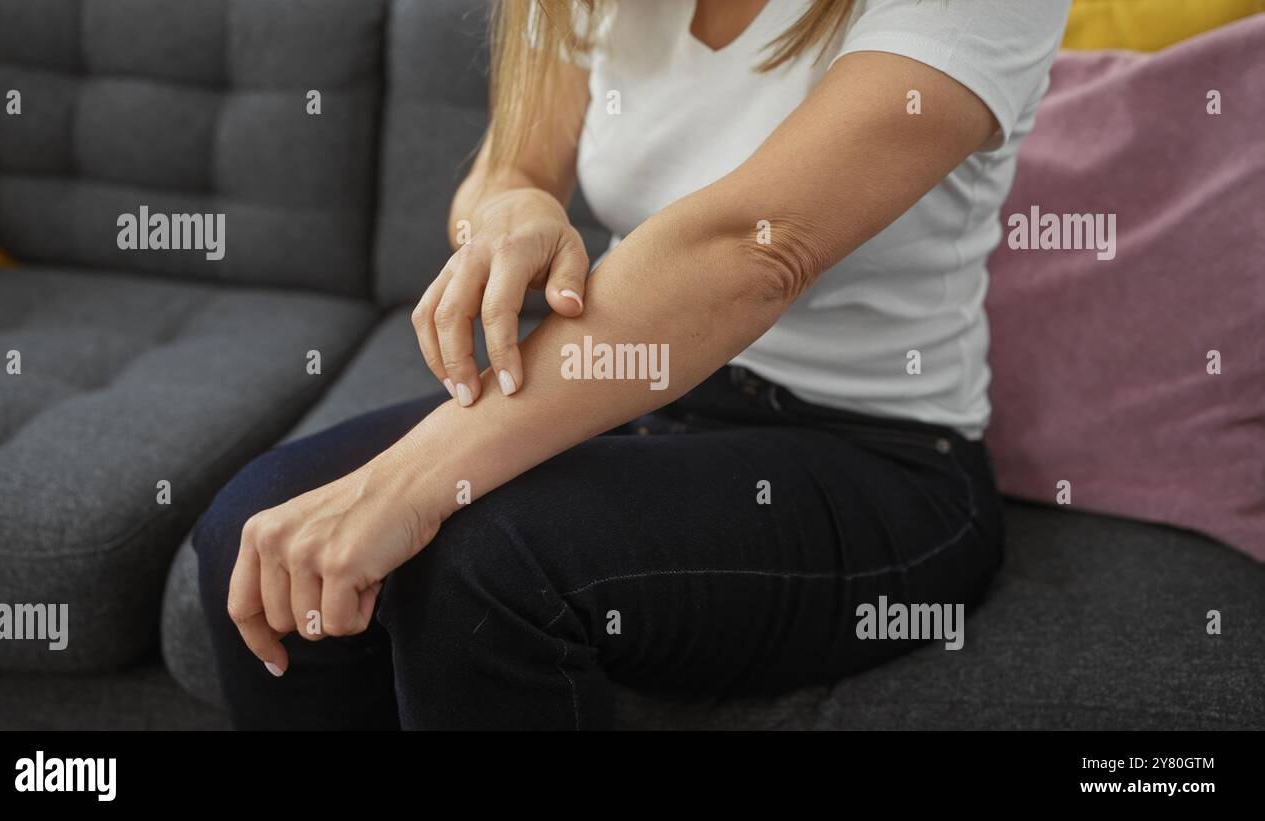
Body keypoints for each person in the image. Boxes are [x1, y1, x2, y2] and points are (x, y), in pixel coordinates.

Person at [194, 0, 1072, 729]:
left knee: (486, 569)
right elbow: (507, 167)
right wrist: (514, 209)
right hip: (648, 399)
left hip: (882, 459)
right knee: (256, 526)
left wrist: (404, 485)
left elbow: (752, 252)